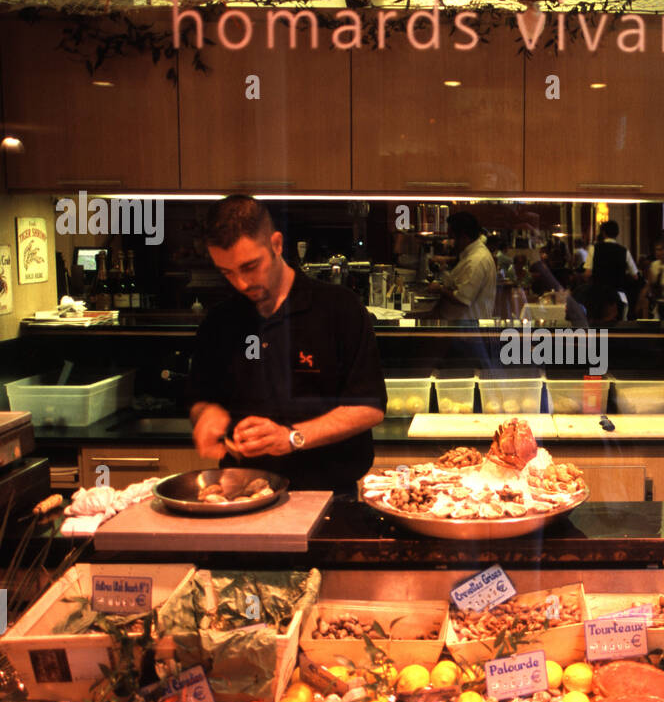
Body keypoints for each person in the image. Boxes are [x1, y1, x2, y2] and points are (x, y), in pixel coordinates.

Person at [188, 195, 387, 493]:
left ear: (277, 244)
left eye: (250, 266)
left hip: (327, 493)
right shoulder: (220, 321)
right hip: (240, 492)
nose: (241, 283)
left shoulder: (338, 308)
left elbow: (369, 407)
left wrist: (291, 437)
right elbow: (201, 399)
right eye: (227, 272)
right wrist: (207, 416)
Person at [429, 212, 496, 320]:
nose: (449, 243)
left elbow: (462, 299)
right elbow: (462, 262)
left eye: (452, 238)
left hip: (466, 329)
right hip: (460, 326)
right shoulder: (472, 253)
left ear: (464, 236)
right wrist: (448, 260)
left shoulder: (476, 260)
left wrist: (439, 289)